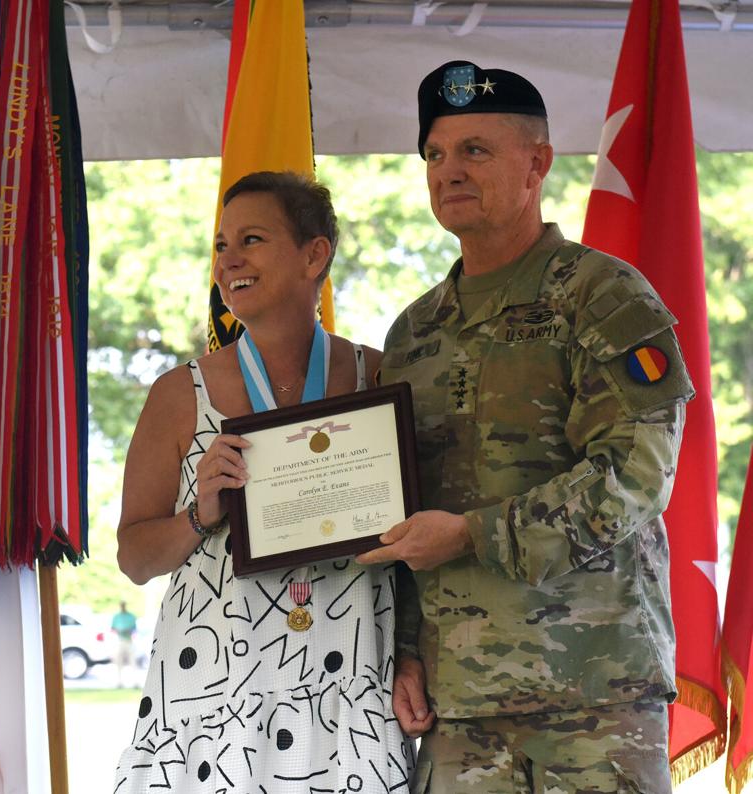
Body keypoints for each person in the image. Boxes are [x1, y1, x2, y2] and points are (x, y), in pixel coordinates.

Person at [359, 60, 693, 793]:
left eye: (475, 150)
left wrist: (475, 535)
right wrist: (405, 650)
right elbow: (399, 510)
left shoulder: (604, 297)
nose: (449, 170)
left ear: (537, 162)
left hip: (592, 697)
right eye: (436, 154)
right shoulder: (413, 333)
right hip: (460, 709)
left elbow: (636, 476)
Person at [112, 171, 414, 792]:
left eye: (251, 239)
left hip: (349, 686)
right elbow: (134, 559)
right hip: (214, 693)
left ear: (314, 254)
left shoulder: (381, 380)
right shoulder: (178, 394)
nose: (230, 261)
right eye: (221, 246)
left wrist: (412, 656)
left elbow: (416, 552)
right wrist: (200, 514)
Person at [110, 600, 138, 688]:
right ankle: (119, 682)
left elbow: (135, 629)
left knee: (133, 662)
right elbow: (112, 628)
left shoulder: (131, 617)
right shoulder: (116, 617)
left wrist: (128, 631)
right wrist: (119, 630)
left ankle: (135, 682)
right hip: (120, 641)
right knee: (118, 662)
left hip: (129, 641)